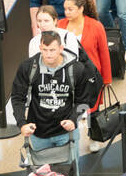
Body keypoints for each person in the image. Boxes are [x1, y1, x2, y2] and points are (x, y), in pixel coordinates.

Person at [11, 31, 94, 164]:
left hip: (66, 134)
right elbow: (17, 97)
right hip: (38, 133)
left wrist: (73, 120)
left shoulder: (76, 69)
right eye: (45, 50)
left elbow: (84, 101)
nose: (48, 54)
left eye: (52, 50)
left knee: (70, 175)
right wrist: (22, 123)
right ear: (40, 48)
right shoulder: (28, 67)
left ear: (61, 48)